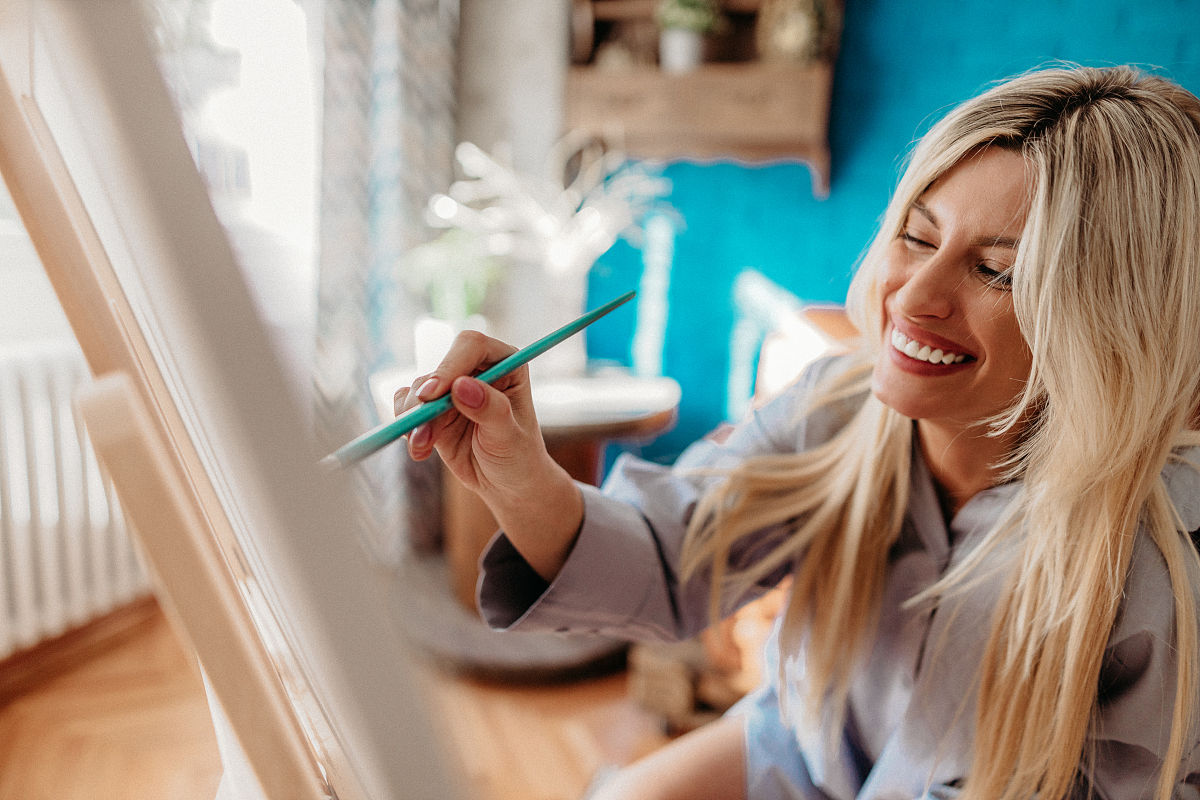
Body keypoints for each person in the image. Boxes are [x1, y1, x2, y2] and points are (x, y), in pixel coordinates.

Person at [395, 64, 1200, 800]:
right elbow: (672, 553)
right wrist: (518, 472)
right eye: (917, 237)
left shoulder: (1156, 568)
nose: (913, 295)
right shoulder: (837, 405)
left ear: (1108, 321)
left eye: (997, 270)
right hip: (796, 754)